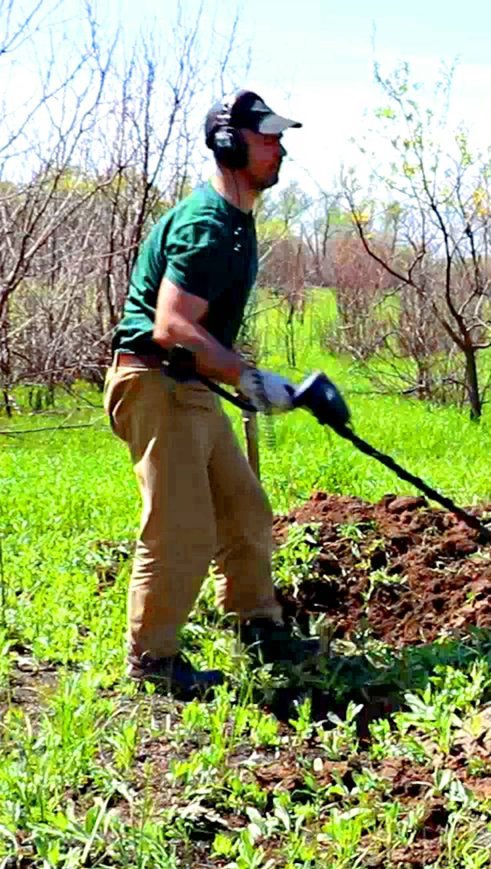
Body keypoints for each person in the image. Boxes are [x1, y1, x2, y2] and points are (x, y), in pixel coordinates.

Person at [106, 89, 310, 697]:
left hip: (188, 385)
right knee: (181, 528)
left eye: (279, 138)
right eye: (266, 138)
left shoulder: (235, 222)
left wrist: (238, 376)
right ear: (228, 144)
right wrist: (247, 377)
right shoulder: (208, 225)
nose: (279, 149)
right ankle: (152, 661)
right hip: (156, 381)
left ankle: (258, 626)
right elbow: (171, 326)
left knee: (244, 511)